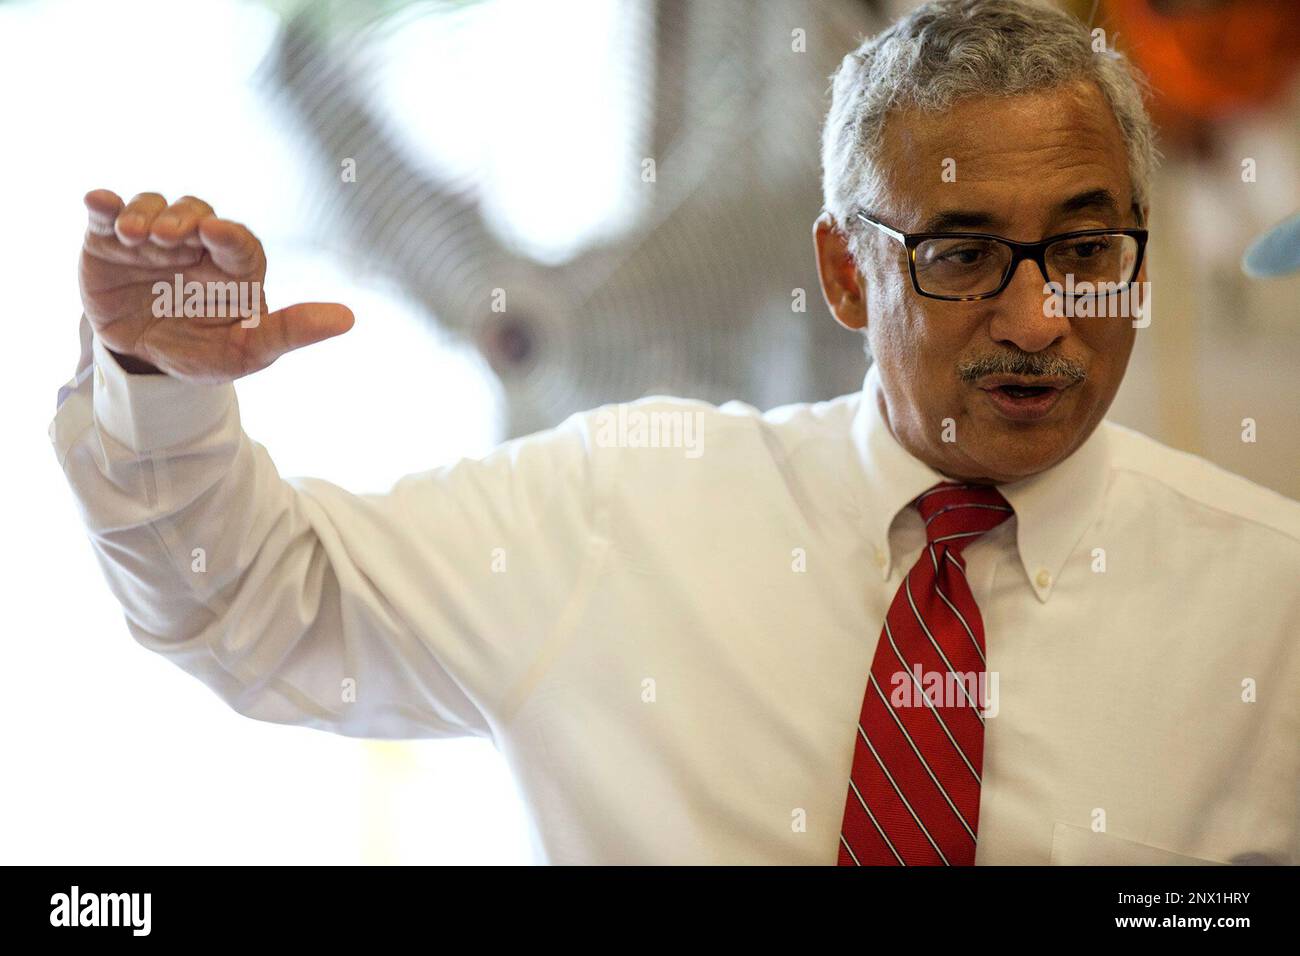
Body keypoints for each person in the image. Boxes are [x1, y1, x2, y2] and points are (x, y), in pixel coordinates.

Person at [51, 0, 1298, 865]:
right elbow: (252, 608)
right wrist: (156, 383)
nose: (1038, 318)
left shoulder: (1271, 609)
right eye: (963, 254)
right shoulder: (613, 514)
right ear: (847, 273)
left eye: (1084, 251)